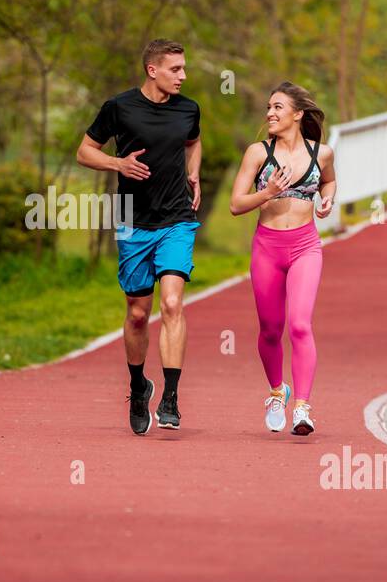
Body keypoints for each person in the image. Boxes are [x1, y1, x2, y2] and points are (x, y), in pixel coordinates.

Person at [76, 39, 201, 435]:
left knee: (172, 303)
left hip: (177, 219)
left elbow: (193, 141)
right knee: (137, 313)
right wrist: (118, 163)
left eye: (183, 68)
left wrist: (193, 172)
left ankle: (171, 397)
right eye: (175, 69)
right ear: (152, 70)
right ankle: (137, 386)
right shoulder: (119, 107)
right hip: (132, 222)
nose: (183, 76)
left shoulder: (189, 109)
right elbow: (84, 151)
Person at [228, 82, 337, 435]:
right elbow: (235, 204)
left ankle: (302, 407)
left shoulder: (322, 153)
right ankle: (278, 391)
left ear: (297, 114)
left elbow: (329, 182)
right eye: (269, 107)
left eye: (277, 107)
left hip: (306, 245)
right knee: (271, 330)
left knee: (300, 325)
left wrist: (328, 199)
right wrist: (268, 192)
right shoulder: (258, 153)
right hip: (267, 248)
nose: (270, 113)